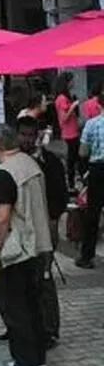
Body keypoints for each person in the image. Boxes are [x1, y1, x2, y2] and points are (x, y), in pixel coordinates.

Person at [0, 123, 53, 366]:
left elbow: (1, 217)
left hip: (16, 250)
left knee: (16, 308)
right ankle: (36, 358)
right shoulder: (31, 165)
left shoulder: (5, 174)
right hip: (37, 245)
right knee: (33, 305)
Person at [17, 116, 65, 348]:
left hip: (44, 224)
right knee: (21, 278)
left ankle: (49, 328)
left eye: (30, 135)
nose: (26, 139)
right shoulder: (13, 161)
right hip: (20, 227)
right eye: (22, 134)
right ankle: (22, 325)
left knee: (44, 277)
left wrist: (53, 221)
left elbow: (60, 194)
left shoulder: (49, 161)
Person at [77, 107, 104, 269]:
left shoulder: (91, 124)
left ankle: (87, 256)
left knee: (93, 213)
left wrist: (84, 172)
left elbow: (83, 151)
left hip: (97, 170)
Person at [53, 73, 82, 189]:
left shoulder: (67, 97)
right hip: (69, 133)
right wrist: (73, 106)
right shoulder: (61, 99)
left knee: (76, 158)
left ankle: (76, 179)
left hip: (73, 131)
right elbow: (64, 118)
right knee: (72, 159)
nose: (73, 84)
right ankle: (71, 183)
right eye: (71, 81)